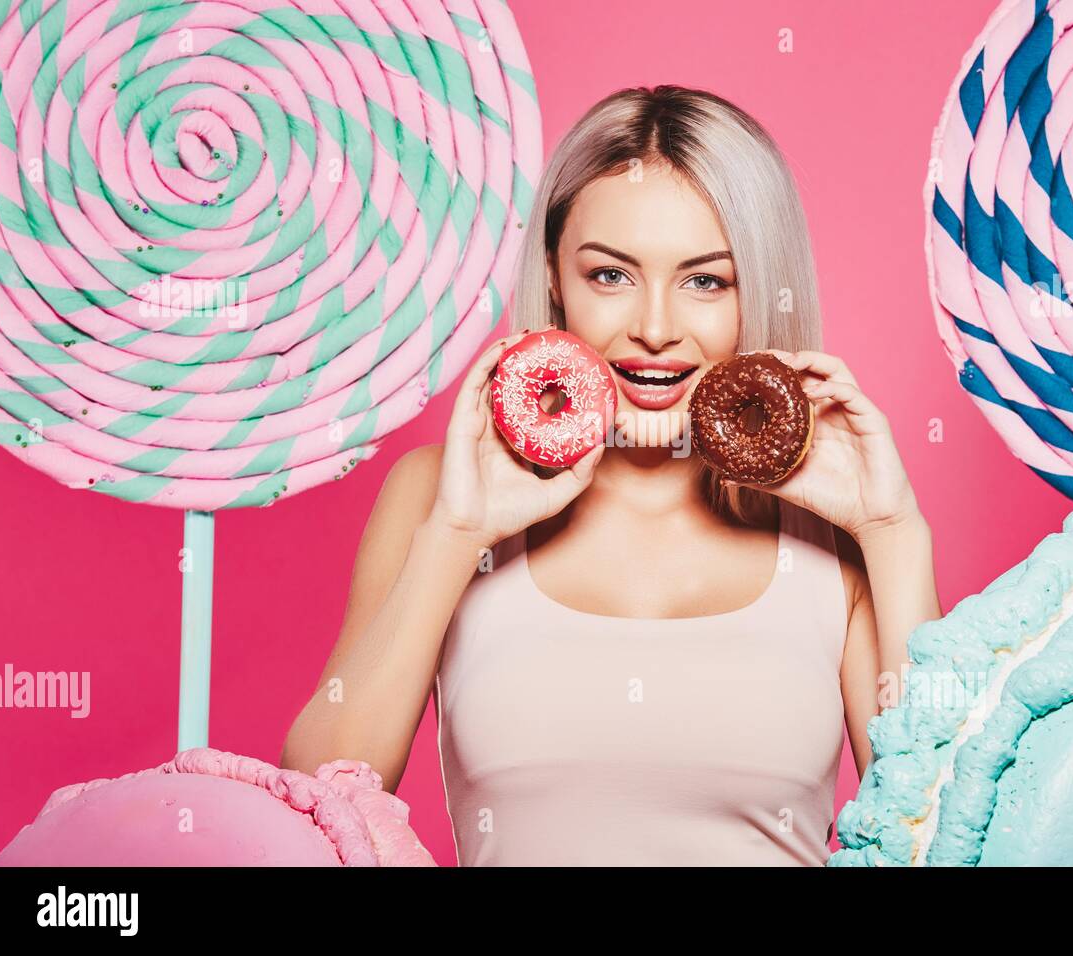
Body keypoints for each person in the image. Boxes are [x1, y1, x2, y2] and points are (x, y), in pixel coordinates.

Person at [282, 85, 940, 865]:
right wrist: (457, 534)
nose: (655, 329)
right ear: (556, 277)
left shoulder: (836, 526)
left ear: (755, 291)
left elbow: (937, 820)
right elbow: (320, 799)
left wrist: (893, 533)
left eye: (706, 281)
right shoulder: (438, 494)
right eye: (611, 276)